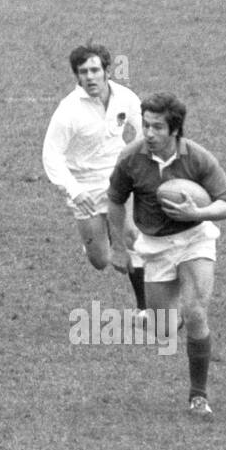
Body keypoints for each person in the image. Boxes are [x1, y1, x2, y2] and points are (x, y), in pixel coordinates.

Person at [107, 93, 226, 417]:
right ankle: (164, 318)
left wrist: (199, 210)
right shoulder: (130, 159)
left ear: (174, 129)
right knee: (163, 330)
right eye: (146, 125)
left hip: (195, 239)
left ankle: (198, 396)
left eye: (158, 127)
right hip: (156, 247)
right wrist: (119, 248)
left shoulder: (198, 158)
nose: (149, 133)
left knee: (195, 312)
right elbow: (115, 200)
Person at [42, 45, 146, 309]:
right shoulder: (68, 111)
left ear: (107, 72)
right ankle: (97, 242)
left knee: (132, 237)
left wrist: (138, 163)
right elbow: (51, 155)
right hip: (84, 188)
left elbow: (145, 130)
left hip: (117, 180)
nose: (89, 77)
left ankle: (146, 310)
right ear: (77, 77)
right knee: (100, 261)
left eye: (94, 70)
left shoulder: (126, 98)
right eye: (83, 72)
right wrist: (75, 191)